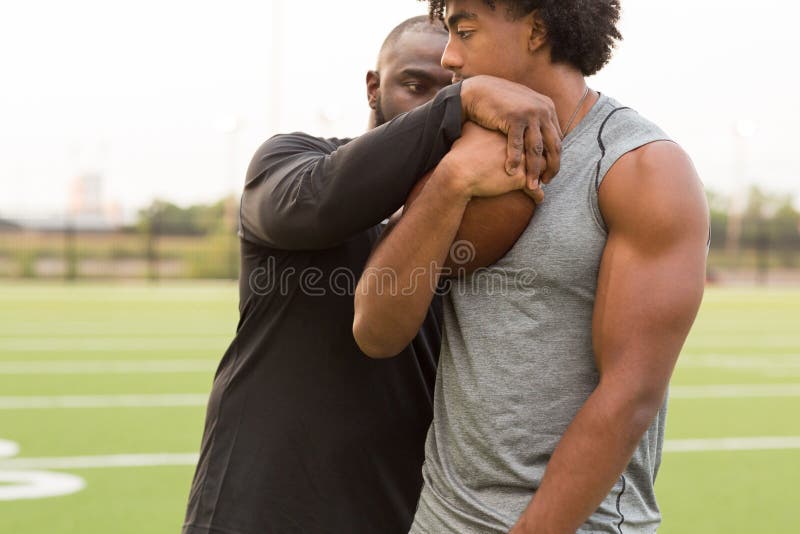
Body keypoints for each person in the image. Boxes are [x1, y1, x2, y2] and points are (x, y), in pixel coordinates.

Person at [182, 15, 561, 534]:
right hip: (257, 502)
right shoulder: (292, 158)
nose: (432, 101)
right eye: (414, 86)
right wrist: (458, 104)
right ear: (372, 87)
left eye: (449, 88)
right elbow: (317, 203)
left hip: (398, 506)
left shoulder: (484, 204)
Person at [353, 1, 710, 533]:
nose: (449, 56)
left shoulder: (641, 167)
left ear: (537, 31)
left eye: (465, 32)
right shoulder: (457, 152)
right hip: (440, 518)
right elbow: (376, 331)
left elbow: (630, 394)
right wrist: (452, 181)